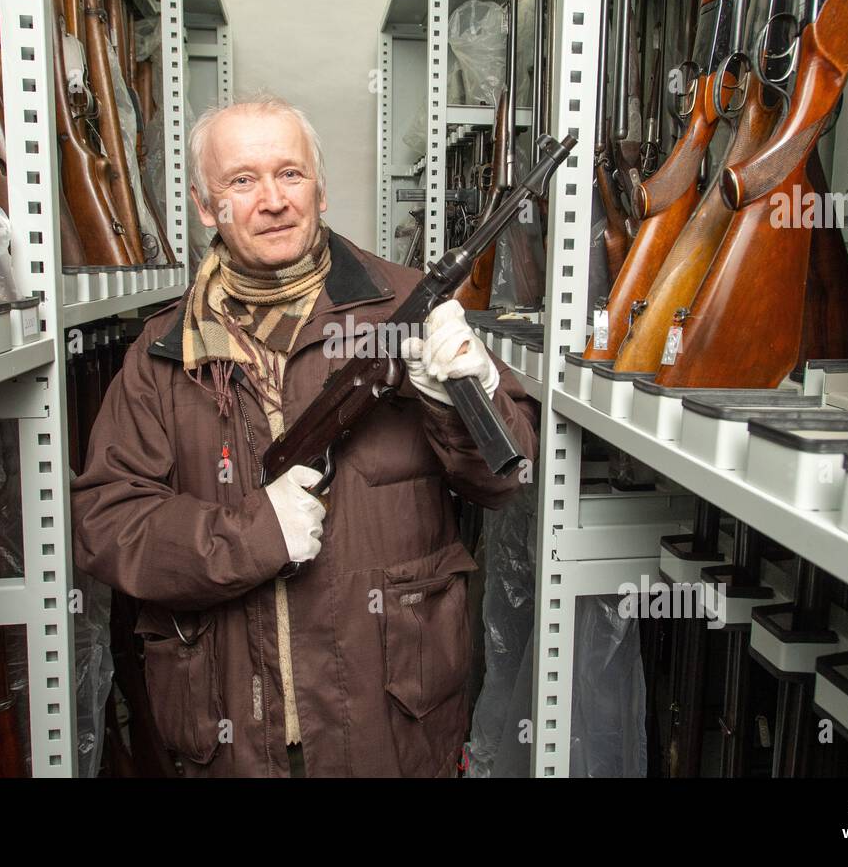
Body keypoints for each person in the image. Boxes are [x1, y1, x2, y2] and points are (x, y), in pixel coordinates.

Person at [71, 94, 539, 776]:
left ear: (319, 191)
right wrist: (251, 535)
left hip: (392, 726)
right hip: (229, 734)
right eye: (242, 180)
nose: (272, 200)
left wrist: (470, 398)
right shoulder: (162, 353)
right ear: (207, 207)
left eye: (290, 174)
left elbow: (507, 477)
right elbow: (106, 525)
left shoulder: (413, 307)